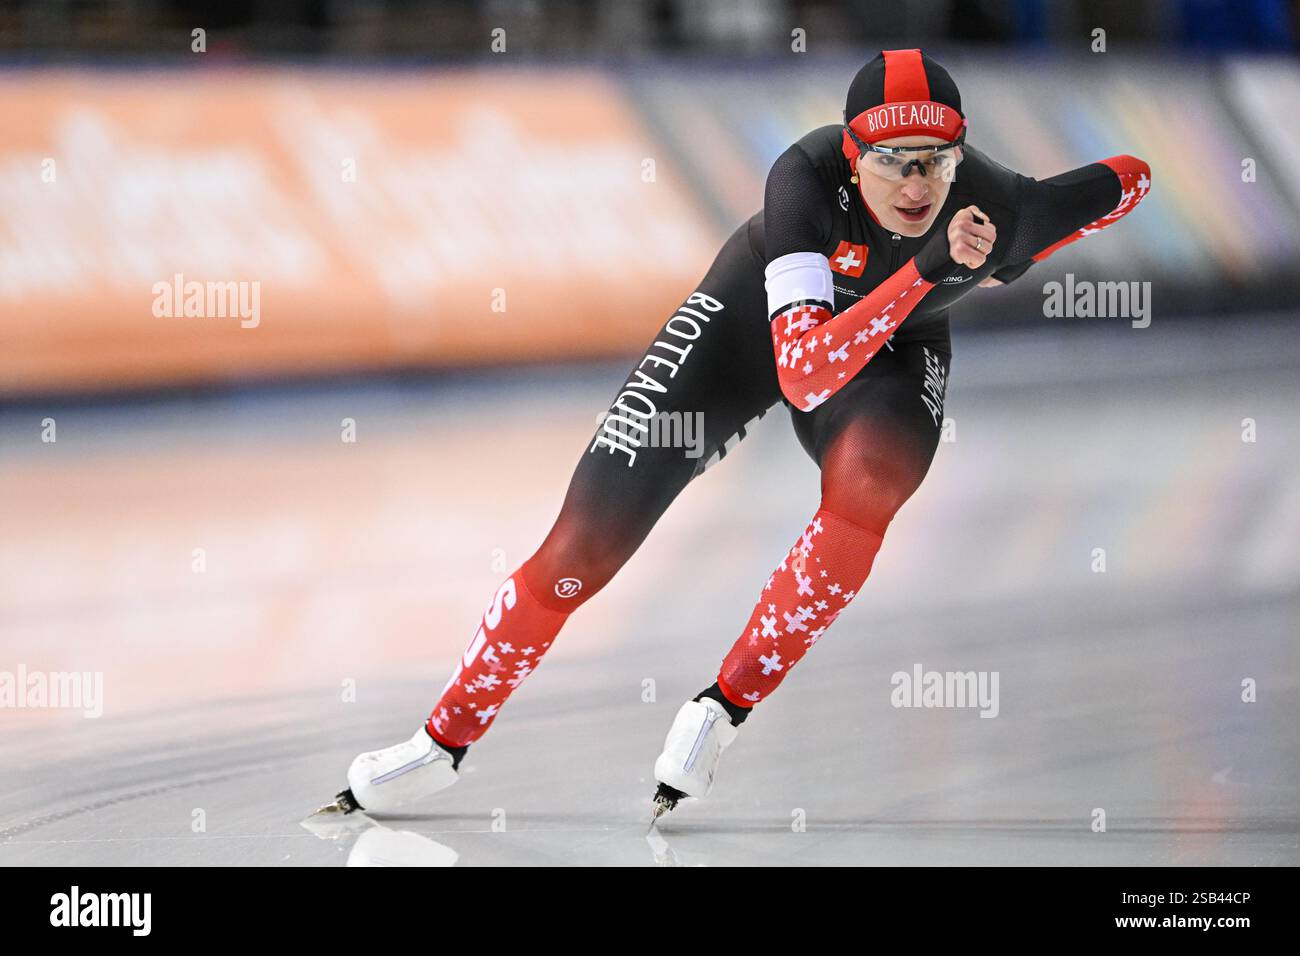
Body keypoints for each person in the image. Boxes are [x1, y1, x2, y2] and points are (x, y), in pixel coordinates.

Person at [318, 49, 1151, 820]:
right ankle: (442, 741)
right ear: (853, 156)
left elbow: (1127, 179)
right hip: (752, 329)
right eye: (892, 160)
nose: (914, 183)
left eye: (933, 160)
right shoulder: (802, 181)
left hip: (894, 359)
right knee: (581, 548)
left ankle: (724, 707)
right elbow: (804, 373)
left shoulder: (1002, 211)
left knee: (866, 494)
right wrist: (929, 270)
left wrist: (1054, 224)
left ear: (961, 157)